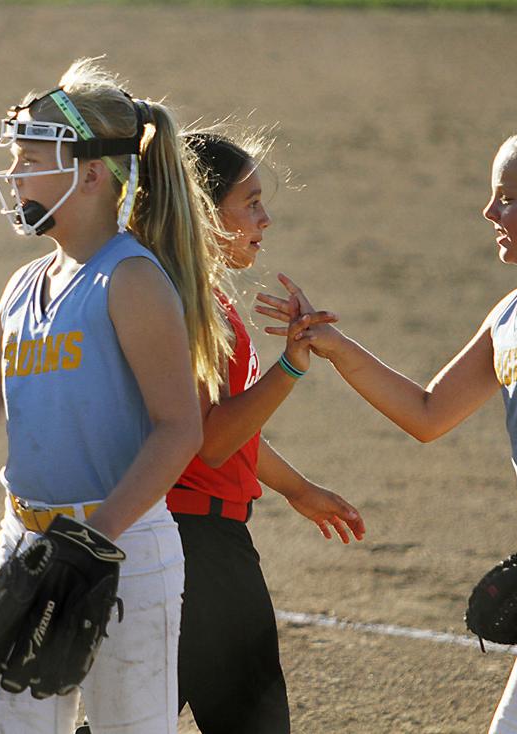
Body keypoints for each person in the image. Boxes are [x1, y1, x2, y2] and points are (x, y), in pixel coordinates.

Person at [0, 58, 321, 734]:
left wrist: (89, 542)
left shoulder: (132, 278)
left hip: (120, 551)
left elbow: (179, 431)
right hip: (30, 543)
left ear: (93, 172)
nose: (14, 173)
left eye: (31, 158)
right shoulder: (22, 286)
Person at [260, 117, 517, 734]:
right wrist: (334, 345)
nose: (488, 210)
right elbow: (428, 414)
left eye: (508, 198)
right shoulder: (514, 311)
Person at [168, 131, 365, 734]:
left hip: (179, 535)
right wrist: (290, 367)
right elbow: (214, 439)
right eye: (250, 202)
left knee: (137, 716)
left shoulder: (183, 293)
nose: (265, 218)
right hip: (199, 546)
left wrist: (297, 488)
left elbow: (226, 432)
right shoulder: (183, 301)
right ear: (203, 211)